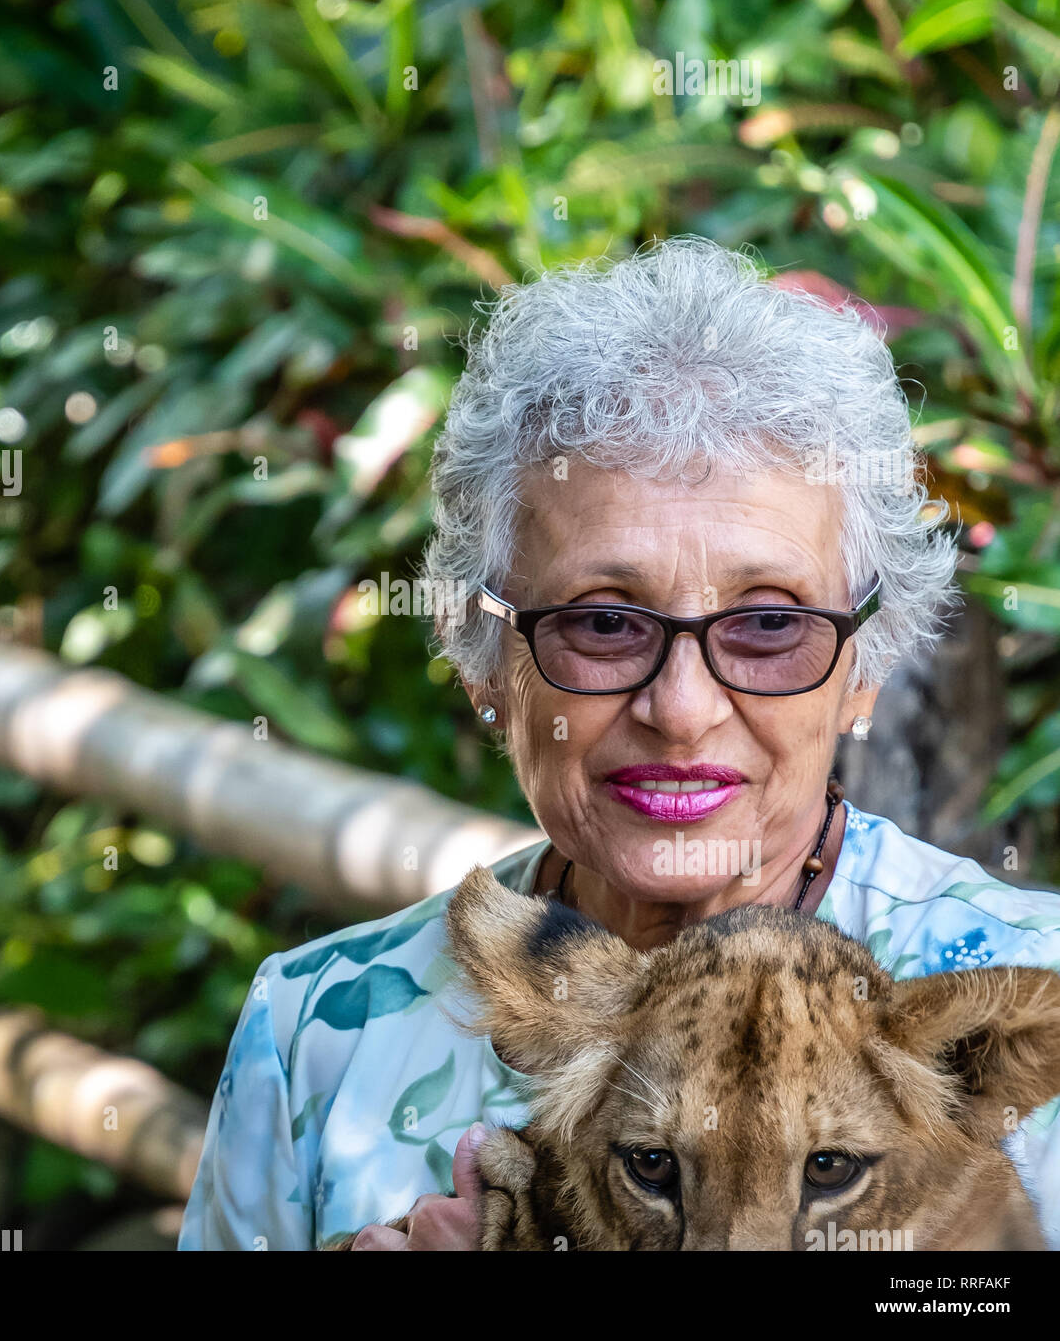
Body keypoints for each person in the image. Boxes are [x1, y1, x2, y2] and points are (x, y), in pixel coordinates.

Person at [178, 238, 1060, 1250]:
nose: (681, 708)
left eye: (768, 624)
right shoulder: (313, 1033)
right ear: (482, 661)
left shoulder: (1022, 1008)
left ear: (863, 666)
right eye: (602, 623)